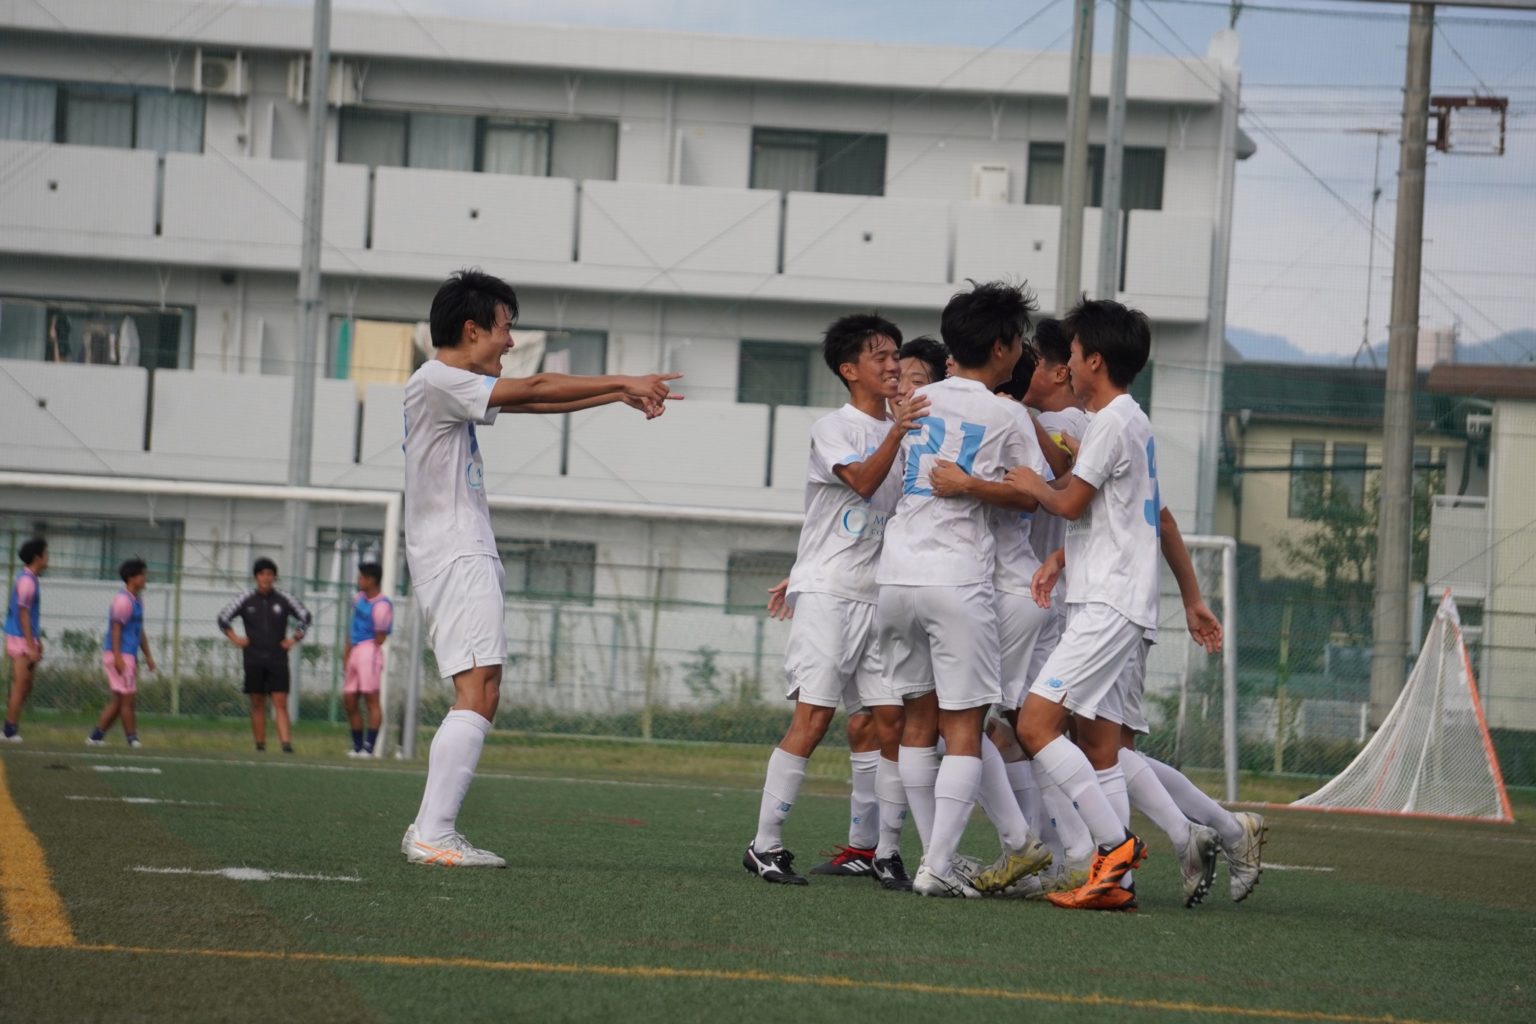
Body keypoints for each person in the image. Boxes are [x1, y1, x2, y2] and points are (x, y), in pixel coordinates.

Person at [401, 267, 678, 869]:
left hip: (459, 550)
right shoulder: (438, 379)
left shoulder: (446, 385)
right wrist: (625, 379)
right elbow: (536, 388)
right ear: (472, 330)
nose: (510, 341)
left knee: (483, 686)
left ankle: (431, 827)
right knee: (477, 689)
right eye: (505, 329)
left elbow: (531, 401)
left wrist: (615, 395)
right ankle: (433, 832)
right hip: (455, 552)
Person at [876, 280, 1049, 899]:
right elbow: (1035, 493)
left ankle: (962, 852)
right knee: (966, 724)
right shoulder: (1004, 412)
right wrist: (976, 486)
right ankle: (938, 865)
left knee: (918, 718)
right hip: (956, 577)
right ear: (1004, 349)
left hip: (894, 578)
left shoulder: (915, 401)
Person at [743, 313, 926, 889]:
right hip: (829, 595)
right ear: (850, 371)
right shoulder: (835, 427)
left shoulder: (911, 429)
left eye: (896, 354)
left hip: (880, 599)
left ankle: (885, 852)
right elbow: (864, 485)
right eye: (880, 356)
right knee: (814, 718)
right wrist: (897, 432)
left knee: (887, 723)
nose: (893, 365)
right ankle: (765, 845)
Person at [1004, 297, 1159, 912]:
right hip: (1109, 596)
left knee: (1035, 724)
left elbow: (1067, 502)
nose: (1065, 365)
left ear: (1095, 360)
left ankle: (1114, 847)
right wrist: (1060, 556)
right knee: (1095, 742)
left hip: (1110, 602)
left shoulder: (1115, 420)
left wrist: (1029, 484)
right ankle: (1113, 879)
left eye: (1070, 355)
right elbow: (1094, 499)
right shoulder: (1125, 419)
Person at [218, 558, 312, 754]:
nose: (266, 578)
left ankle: (286, 745)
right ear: (256, 577)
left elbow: (306, 617)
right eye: (262, 574)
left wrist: (294, 638)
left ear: (274, 577)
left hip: (277, 658)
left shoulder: (284, 599)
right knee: (257, 702)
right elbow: (223, 618)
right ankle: (260, 745)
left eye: (270, 574)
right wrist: (234, 637)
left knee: (280, 702)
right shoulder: (245, 599)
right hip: (253, 658)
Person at [87, 558, 155, 748]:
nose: (146, 578)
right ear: (132, 577)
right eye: (143, 574)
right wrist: (117, 657)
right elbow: (116, 629)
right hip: (120, 655)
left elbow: (139, 631)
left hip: (128, 655)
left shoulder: (137, 600)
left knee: (119, 701)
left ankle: (96, 737)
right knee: (128, 699)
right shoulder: (123, 601)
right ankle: (132, 739)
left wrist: (148, 656)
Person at [343, 562, 394, 757]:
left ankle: (369, 747)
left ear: (371, 580)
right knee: (349, 699)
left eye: (362, 577)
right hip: (355, 650)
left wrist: (367, 651)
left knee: (371, 698)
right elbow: (352, 626)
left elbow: (380, 637)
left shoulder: (382, 605)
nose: (359, 580)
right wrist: (347, 651)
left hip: (369, 650)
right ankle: (357, 747)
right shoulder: (358, 599)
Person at [3, 538, 48, 742]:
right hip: (19, 638)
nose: (48, 559)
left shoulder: (32, 578)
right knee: (21, 684)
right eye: (46, 554)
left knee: (25, 686)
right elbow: (23, 614)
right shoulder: (27, 581)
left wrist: (37, 641)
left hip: (27, 638)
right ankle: (10, 731)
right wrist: (31, 646)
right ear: (38, 557)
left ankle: (10, 720)